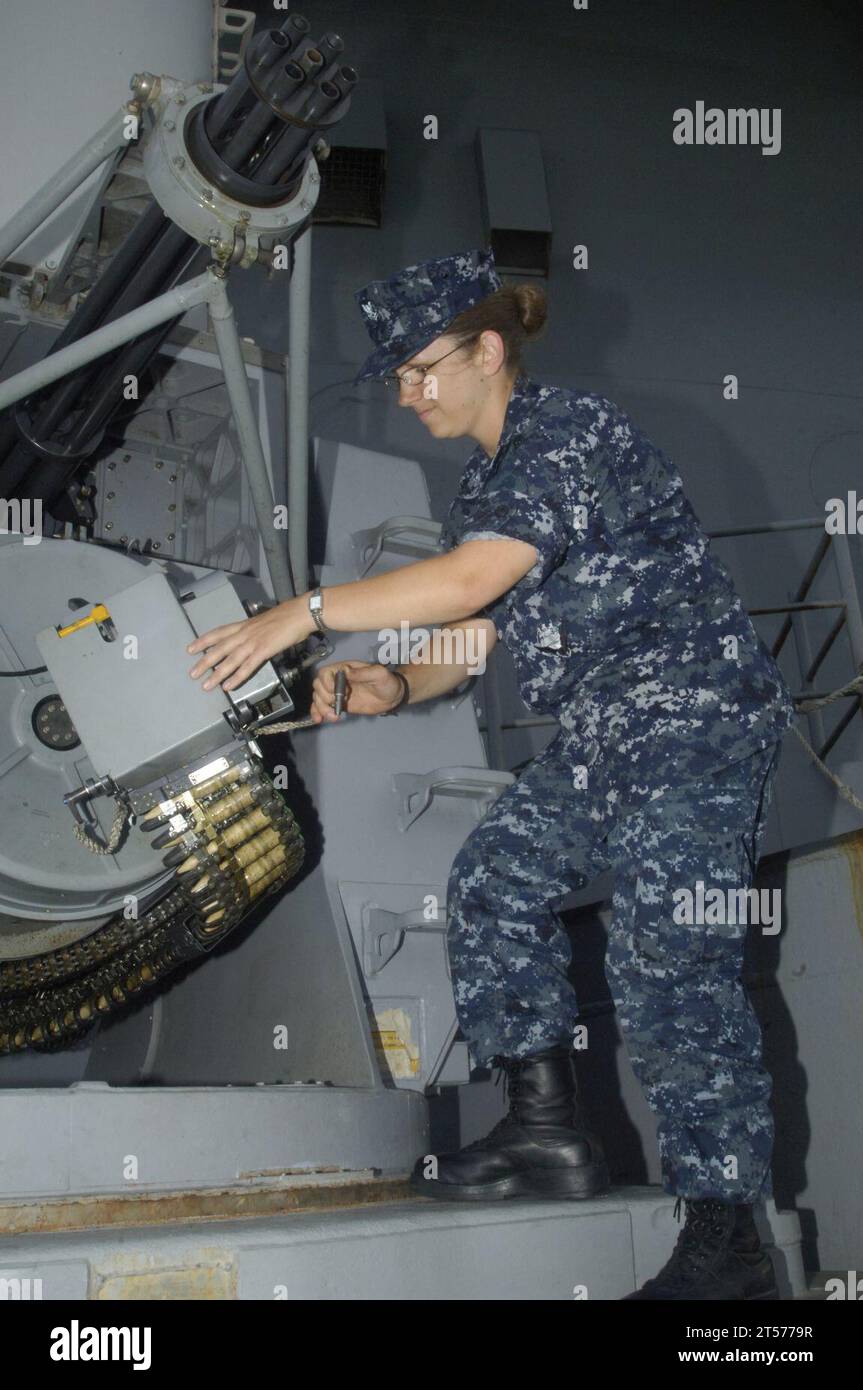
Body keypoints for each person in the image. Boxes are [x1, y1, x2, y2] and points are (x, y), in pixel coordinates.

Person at [186, 247, 797, 1300]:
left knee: (666, 967)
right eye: (397, 377)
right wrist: (392, 686)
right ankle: (547, 1133)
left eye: (424, 368)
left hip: (689, 722)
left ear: (488, 348)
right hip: (608, 732)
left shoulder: (560, 433)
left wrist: (309, 611)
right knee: (490, 885)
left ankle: (727, 1235)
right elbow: (477, 628)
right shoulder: (492, 475)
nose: (409, 392)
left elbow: (471, 575)